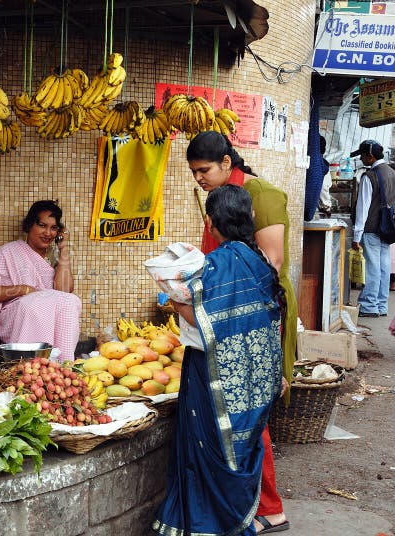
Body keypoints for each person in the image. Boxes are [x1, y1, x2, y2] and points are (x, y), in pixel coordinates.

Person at [152, 185, 284, 535]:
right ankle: (234, 520)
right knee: (240, 452)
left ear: (210, 222)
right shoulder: (259, 262)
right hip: (251, 383)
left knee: (205, 451)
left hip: (212, 377)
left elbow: (201, 319)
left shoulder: (216, 265)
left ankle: (205, 525)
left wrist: (172, 295)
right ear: (250, 219)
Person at [187, 131, 295, 534]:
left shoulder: (260, 195)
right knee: (239, 416)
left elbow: (268, 264)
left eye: (204, 170)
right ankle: (247, 502)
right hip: (226, 317)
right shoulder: (219, 200)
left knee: (251, 416)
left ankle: (268, 506)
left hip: (253, 320)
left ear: (228, 164)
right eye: (194, 172)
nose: (198, 178)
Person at [0, 200, 81, 362]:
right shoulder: (8, 252)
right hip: (18, 313)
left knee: (71, 301)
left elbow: (64, 291)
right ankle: (29, 365)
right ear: (29, 225)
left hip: (46, 311)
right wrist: (23, 289)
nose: (48, 233)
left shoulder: (55, 256)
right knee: (34, 304)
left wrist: (64, 248)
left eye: (53, 228)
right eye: (42, 225)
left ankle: (63, 365)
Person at [351, 140, 395, 318]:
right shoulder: (393, 174)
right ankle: (381, 305)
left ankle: (369, 305)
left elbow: (362, 208)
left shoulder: (369, 176)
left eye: (363, 155)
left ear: (370, 157)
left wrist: (357, 235)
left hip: (371, 227)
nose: (362, 159)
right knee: (384, 267)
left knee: (372, 267)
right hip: (387, 228)